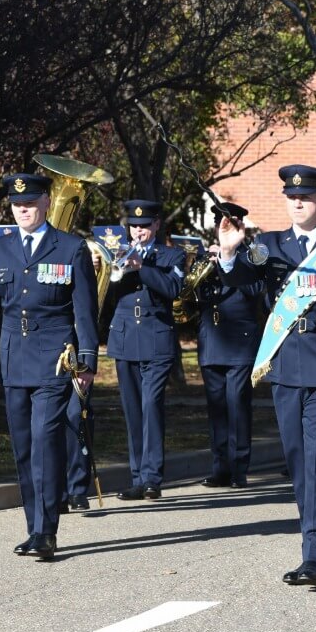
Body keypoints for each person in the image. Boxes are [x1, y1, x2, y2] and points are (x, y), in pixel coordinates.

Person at [217, 165, 316, 588]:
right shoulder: (269, 244)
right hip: (287, 365)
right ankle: (315, 538)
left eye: (305, 197)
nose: (298, 202)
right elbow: (245, 285)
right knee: (298, 462)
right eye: (291, 197)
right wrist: (230, 252)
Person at [0, 173, 98, 560]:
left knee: (44, 441)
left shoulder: (69, 248)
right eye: (18, 205)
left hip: (55, 361)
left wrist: (87, 363)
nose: (23, 210)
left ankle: (45, 531)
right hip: (14, 360)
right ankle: (32, 525)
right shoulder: (0, 250)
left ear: (47, 203)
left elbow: (86, 311)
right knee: (23, 446)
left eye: (31, 203)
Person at [106, 200, 186, 501]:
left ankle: (152, 477)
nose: (138, 231)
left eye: (144, 225)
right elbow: (105, 295)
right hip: (125, 338)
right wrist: (104, 268)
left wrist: (142, 267)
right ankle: (137, 477)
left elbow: (174, 288)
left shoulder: (170, 254)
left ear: (156, 225)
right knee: (132, 410)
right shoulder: (117, 253)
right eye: (134, 226)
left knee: (151, 406)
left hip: (155, 338)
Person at [196, 203, 263, 490]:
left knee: (237, 405)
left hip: (240, 341)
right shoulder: (205, 254)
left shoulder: (254, 255)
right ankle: (220, 466)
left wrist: (230, 260)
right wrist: (207, 269)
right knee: (217, 408)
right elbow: (195, 295)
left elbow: (257, 290)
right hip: (212, 340)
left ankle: (239, 468)